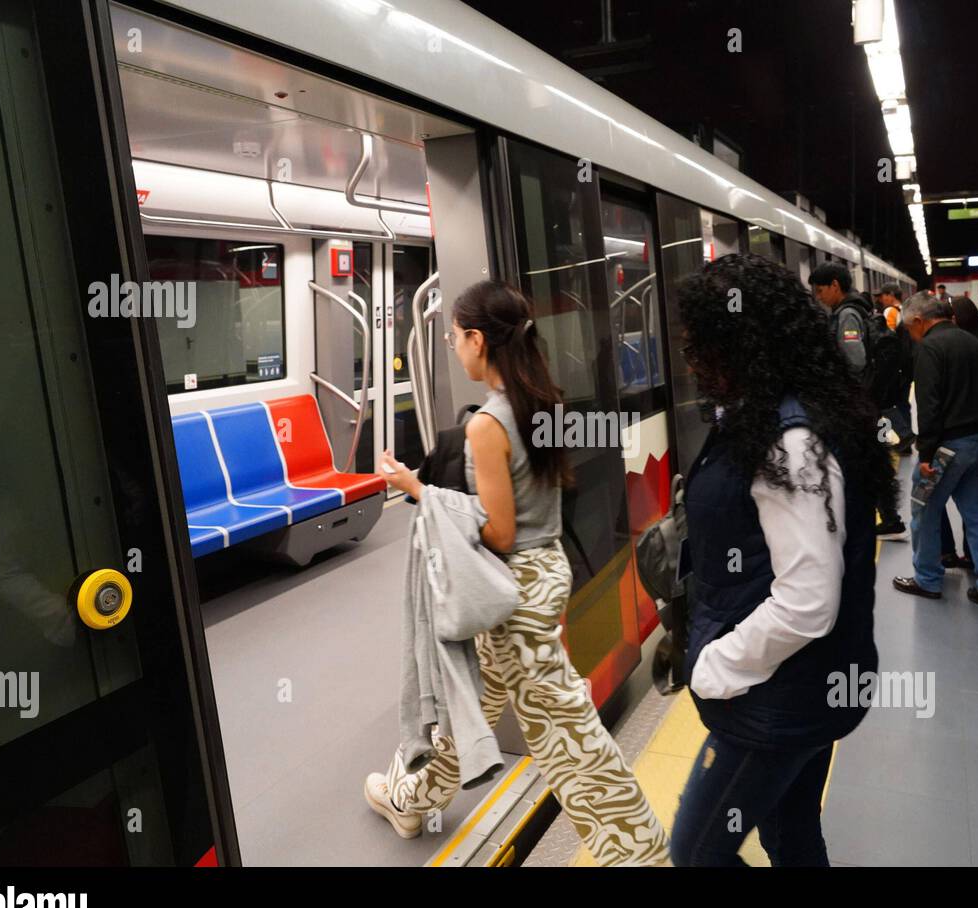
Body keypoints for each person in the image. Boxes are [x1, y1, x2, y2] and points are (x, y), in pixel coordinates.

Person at [365, 280, 669, 865]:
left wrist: (420, 491)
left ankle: (640, 855)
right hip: (541, 580)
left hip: (511, 605)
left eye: (455, 338)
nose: (454, 348)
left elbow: (499, 531)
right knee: (470, 703)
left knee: (573, 742)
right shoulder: (543, 400)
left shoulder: (487, 425)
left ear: (479, 340)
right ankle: (411, 796)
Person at [670, 254, 894, 866]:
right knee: (790, 832)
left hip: (776, 698)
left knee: (694, 852)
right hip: (805, 687)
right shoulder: (785, 412)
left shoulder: (790, 442)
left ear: (740, 343)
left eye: (701, 346)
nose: (693, 362)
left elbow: (808, 603)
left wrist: (716, 665)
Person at [892, 292, 978, 612]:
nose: (910, 336)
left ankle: (927, 580)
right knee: (977, 516)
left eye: (908, 329)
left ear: (919, 321)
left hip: (946, 450)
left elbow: (928, 408)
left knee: (924, 511)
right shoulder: (974, 342)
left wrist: (926, 456)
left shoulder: (929, 348)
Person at [810, 262, 907, 540]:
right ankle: (889, 517)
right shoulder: (860, 308)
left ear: (835, 286)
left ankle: (880, 517)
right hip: (869, 400)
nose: (818, 297)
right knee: (874, 457)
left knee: (864, 458)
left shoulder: (847, 315)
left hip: (858, 401)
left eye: (820, 290)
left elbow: (855, 359)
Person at [938, 295, 978, 568]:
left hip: (953, 435)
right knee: (974, 503)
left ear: (955, 319)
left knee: (928, 500)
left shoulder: (948, 350)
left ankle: (942, 555)